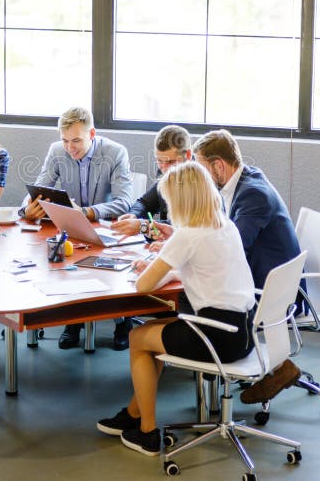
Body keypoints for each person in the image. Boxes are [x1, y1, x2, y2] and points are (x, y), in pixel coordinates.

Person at [96, 161, 257, 456]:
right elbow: (201, 270)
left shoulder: (189, 234)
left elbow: (143, 286)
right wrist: (165, 269)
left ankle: (146, 432)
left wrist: (149, 269)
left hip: (217, 336)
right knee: (151, 333)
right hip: (242, 330)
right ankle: (132, 414)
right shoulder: (224, 224)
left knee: (137, 339)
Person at [192, 129, 303, 403]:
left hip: (270, 289)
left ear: (218, 165)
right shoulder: (244, 181)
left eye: (202, 168)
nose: (200, 176)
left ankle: (220, 365)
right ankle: (266, 365)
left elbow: (233, 248)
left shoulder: (253, 194)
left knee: (195, 295)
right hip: (271, 277)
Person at [21, 106, 134, 350]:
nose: (70, 147)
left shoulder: (115, 153)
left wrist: (88, 212)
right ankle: (73, 320)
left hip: (104, 229)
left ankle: (123, 321)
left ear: (91, 134)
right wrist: (27, 209)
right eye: (65, 140)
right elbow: (39, 187)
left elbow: (125, 202)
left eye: (76, 141)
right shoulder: (57, 151)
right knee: (55, 259)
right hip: (69, 229)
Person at [110, 125, 191, 241]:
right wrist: (134, 215)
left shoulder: (200, 181)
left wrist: (142, 226)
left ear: (187, 155)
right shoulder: (164, 172)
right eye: (159, 161)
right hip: (163, 246)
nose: (164, 168)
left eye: (170, 162)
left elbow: (182, 225)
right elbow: (145, 203)